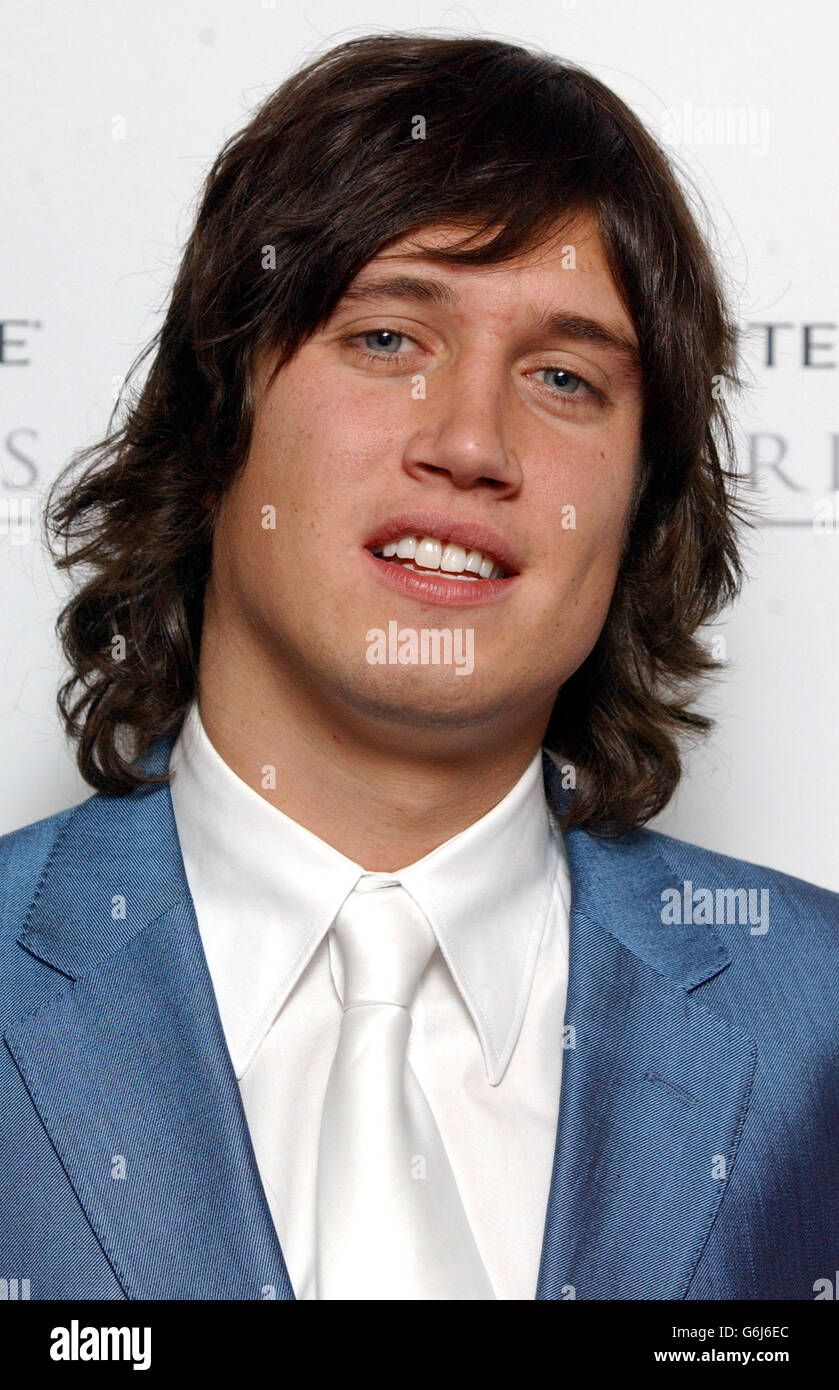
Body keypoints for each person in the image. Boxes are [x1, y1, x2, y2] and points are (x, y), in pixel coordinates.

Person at [1, 33, 836, 1303]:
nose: (469, 442)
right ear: (217, 405)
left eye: (563, 377)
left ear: (640, 503)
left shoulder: (815, 1027)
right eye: (389, 337)